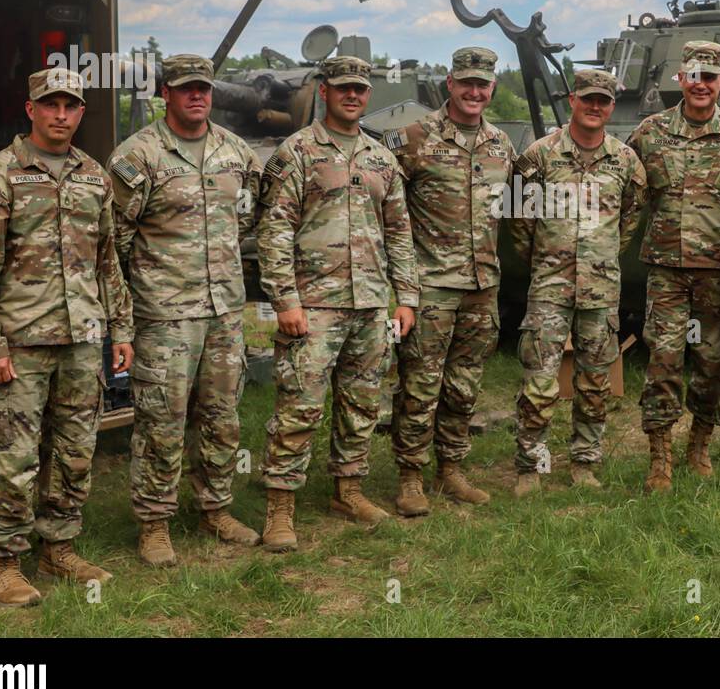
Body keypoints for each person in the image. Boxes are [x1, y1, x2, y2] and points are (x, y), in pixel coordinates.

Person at [0, 67, 133, 606]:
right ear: (31, 109)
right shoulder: (0, 175)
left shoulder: (93, 176)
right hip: (20, 346)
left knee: (76, 452)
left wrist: (121, 329)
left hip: (82, 341)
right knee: (15, 457)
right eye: (50, 105)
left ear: (81, 112)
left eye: (70, 105)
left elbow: (107, 261)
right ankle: (2, 565)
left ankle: (58, 547)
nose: (60, 114)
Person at [256, 55, 419, 550]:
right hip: (314, 304)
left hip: (370, 304)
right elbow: (274, 230)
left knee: (362, 403)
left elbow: (399, 231)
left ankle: (348, 492)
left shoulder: (380, 157)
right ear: (324, 91)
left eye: (360, 89)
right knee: (299, 406)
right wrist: (285, 300)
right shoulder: (297, 151)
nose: (352, 95)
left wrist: (406, 297)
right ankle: (280, 507)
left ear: (368, 94)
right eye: (343, 87)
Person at [108, 53, 264, 565]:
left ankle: (215, 509)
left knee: (221, 417)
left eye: (204, 88)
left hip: (224, 312)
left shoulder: (236, 152)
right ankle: (154, 523)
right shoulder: (138, 157)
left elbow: (247, 218)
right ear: (166, 94)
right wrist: (128, 312)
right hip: (165, 315)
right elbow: (115, 241)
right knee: (162, 421)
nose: (197, 95)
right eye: (186, 88)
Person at [627, 41, 720, 492]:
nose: (700, 84)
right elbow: (621, 181)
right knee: (663, 361)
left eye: (709, 77)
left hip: (719, 275)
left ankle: (700, 442)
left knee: (713, 364)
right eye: (693, 76)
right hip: (666, 271)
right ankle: (660, 455)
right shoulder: (650, 132)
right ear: (680, 79)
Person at [387, 47, 516, 515]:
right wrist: (400, 287)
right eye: (466, 83)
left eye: (482, 84)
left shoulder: (501, 144)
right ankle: (410, 476)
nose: (474, 92)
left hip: (482, 286)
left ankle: (451, 468)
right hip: (431, 286)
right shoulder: (411, 139)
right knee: (420, 385)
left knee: (464, 384)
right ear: (450, 83)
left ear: (492, 88)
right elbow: (389, 214)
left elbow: (514, 211)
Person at [509, 70, 646, 495]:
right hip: (549, 289)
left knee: (594, 383)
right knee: (539, 383)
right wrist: (549, 260)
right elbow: (519, 222)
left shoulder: (625, 161)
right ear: (572, 100)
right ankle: (531, 466)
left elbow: (629, 221)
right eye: (587, 99)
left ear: (611, 107)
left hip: (601, 291)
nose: (594, 107)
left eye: (603, 101)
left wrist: (598, 259)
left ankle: (585, 463)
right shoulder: (539, 156)